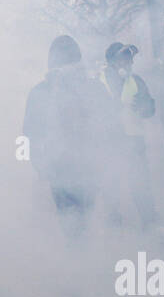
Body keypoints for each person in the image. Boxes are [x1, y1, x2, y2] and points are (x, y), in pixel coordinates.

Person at [23, 35, 116, 240]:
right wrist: (42, 167)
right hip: (64, 169)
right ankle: (83, 259)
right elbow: (30, 135)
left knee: (82, 221)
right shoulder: (43, 92)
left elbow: (110, 123)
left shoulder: (89, 88)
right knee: (78, 222)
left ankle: (82, 259)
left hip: (82, 167)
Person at [99, 42, 158, 228]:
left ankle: (150, 224)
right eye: (124, 59)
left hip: (134, 141)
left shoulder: (136, 81)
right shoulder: (97, 82)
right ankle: (114, 227)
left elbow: (149, 111)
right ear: (112, 61)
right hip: (109, 142)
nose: (129, 63)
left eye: (130, 59)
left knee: (141, 183)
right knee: (111, 185)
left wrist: (145, 105)